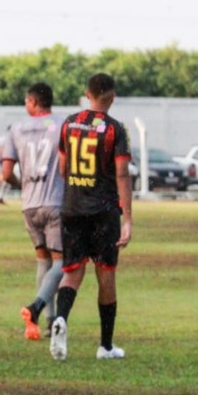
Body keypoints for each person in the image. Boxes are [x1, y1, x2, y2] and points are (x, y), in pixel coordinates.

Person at [49, 72, 133, 361]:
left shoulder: (69, 123)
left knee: (72, 272)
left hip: (72, 207)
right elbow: (122, 173)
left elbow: (62, 168)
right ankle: (106, 345)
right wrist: (128, 218)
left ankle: (60, 319)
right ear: (112, 97)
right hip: (103, 210)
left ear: (87, 94)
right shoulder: (115, 129)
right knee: (105, 272)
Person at [0, 82, 64, 340]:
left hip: (29, 204)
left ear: (34, 102)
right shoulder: (61, 125)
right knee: (62, 263)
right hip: (55, 202)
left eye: (27, 101)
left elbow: (6, 173)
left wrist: (22, 184)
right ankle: (37, 308)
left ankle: (47, 322)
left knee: (42, 260)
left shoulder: (15, 129)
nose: (25, 105)